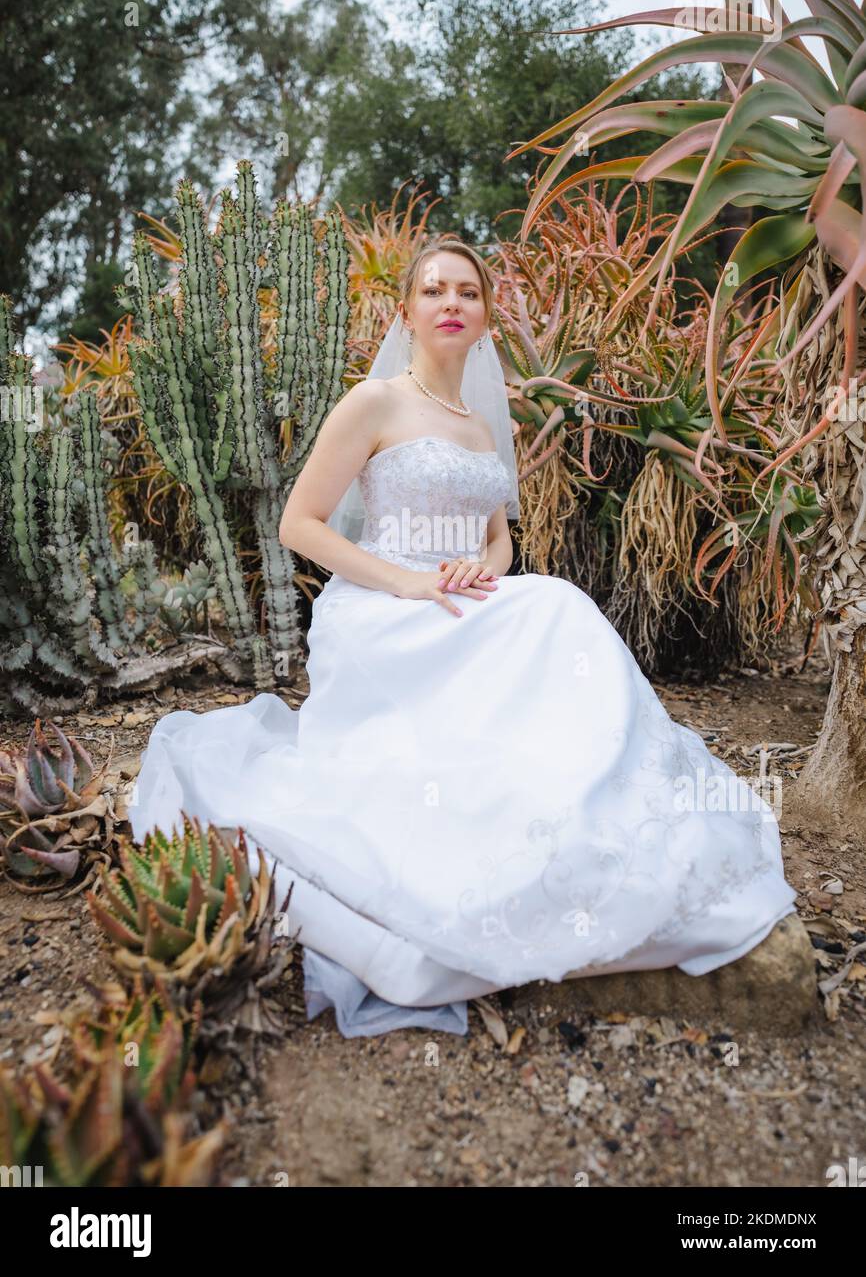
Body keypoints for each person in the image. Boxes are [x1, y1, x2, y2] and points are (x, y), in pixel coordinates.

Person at [129, 239, 798, 1038]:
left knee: (552, 602)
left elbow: (499, 539)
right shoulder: (373, 402)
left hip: (460, 597)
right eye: (434, 290)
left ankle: (594, 801)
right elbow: (297, 525)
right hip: (383, 608)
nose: (452, 302)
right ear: (406, 311)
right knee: (553, 608)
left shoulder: (483, 424)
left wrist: (480, 568)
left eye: (468, 293)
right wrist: (408, 579)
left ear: (484, 316)